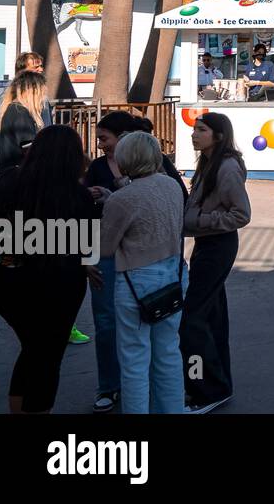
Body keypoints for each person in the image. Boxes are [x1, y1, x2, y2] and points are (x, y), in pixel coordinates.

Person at [0, 125, 94, 413]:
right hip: (60, 285)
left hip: (9, 281)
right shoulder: (78, 196)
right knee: (48, 357)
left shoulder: (7, 179)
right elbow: (84, 246)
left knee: (32, 349)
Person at [100, 132, 188, 414]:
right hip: (173, 274)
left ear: (126, 159)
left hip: (137, 281)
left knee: (134, 361)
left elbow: (105, 247)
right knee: (168, 354)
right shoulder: (172, 186)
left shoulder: (122, 199)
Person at [179, 112, 250, 413]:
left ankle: (205, 390)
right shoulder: (209, 163)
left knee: (191, 322)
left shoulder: (227, 167)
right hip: (207, 244)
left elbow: (241, 214)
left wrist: (197, 220)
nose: (194, 134)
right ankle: (219, 385)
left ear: (218, 136)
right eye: (195, 129)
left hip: (217, 246)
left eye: (202, 130)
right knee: (212, 318)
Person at [0, 70, 46, 169]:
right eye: (41, 93)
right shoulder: (20, 112)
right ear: (32, 91)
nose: (42, 98)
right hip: (19, 177)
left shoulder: (13, 109)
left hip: (10, 175)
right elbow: (30, 151)